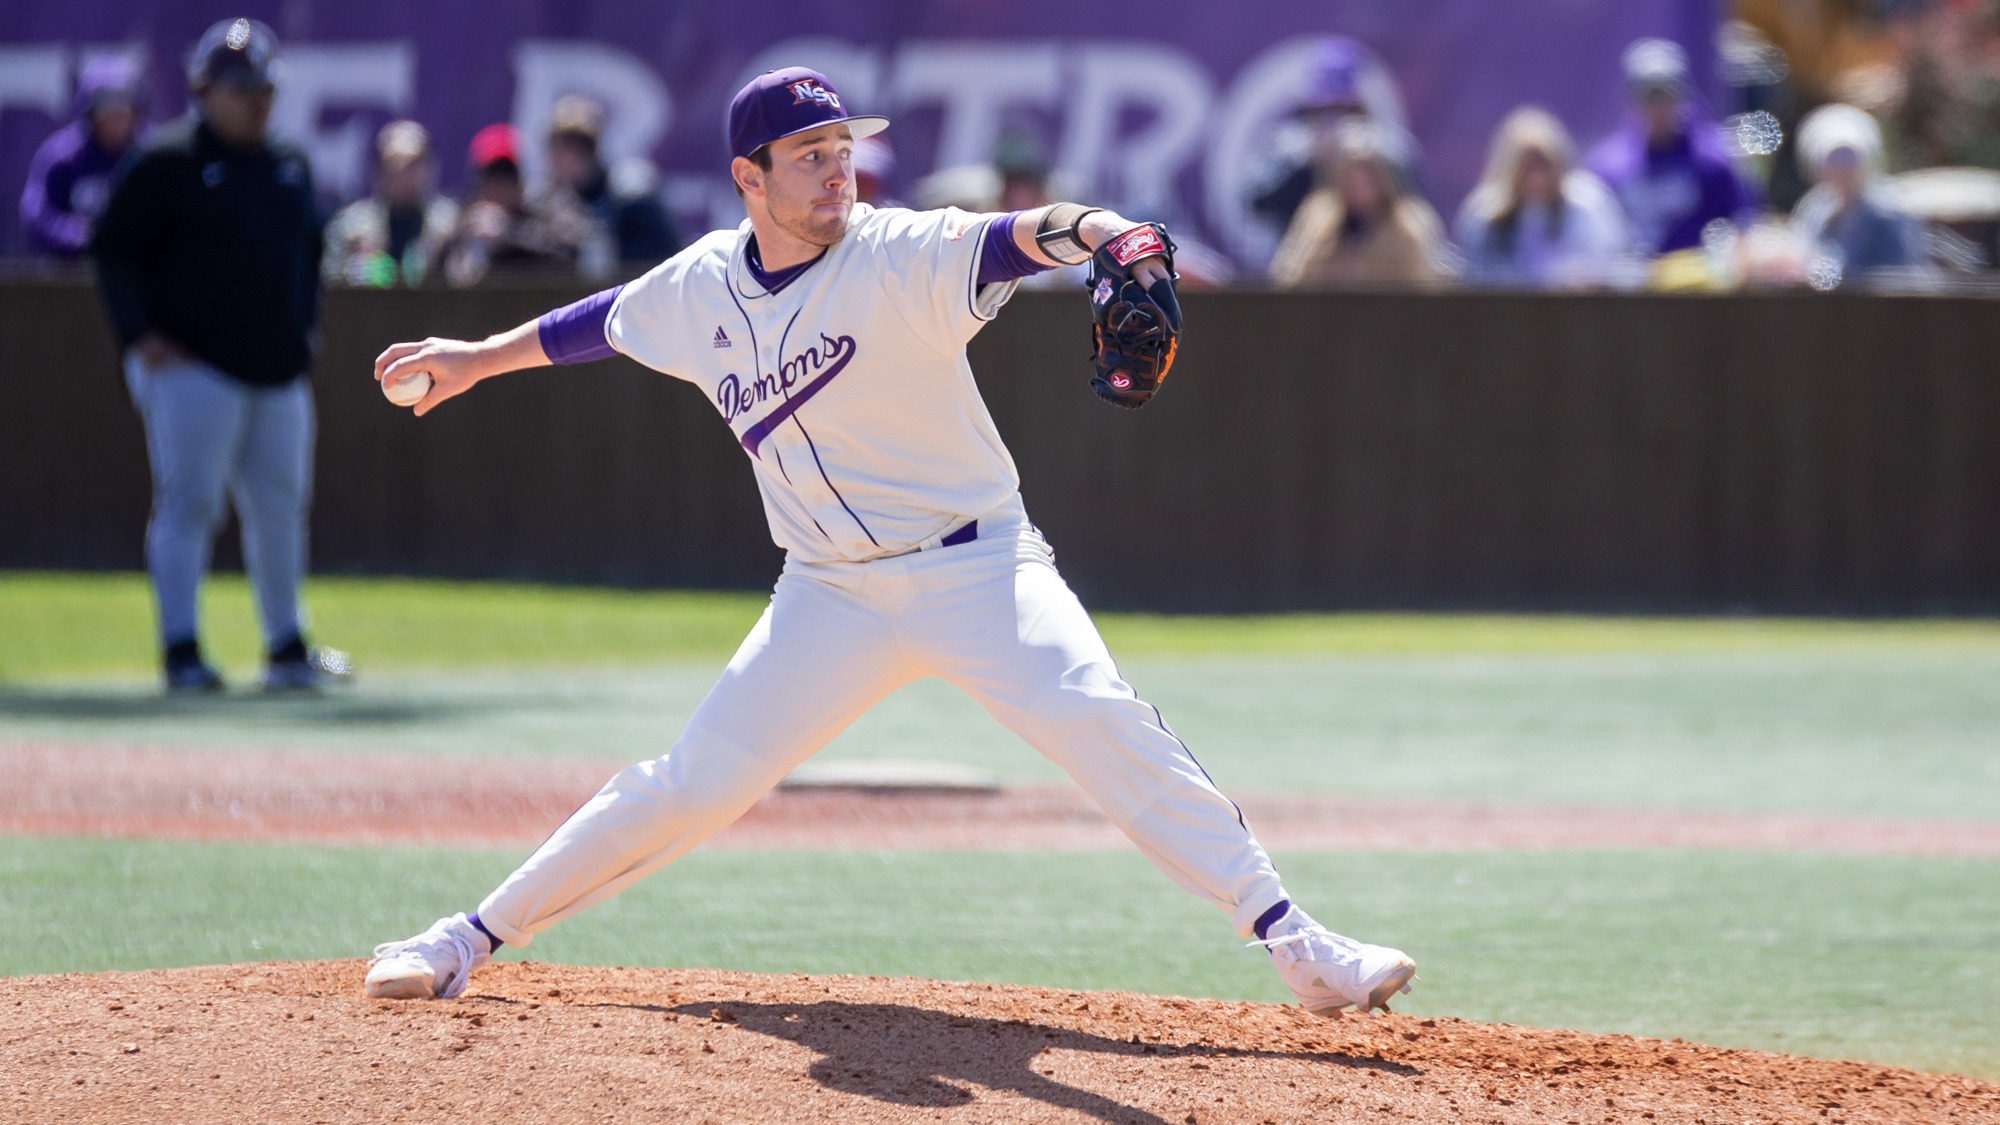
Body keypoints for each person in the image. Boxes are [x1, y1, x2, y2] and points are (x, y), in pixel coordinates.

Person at [362, 66, 1417, 1020]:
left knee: (1101, 719)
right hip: (826, 595)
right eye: (810, 157)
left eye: (842, 151)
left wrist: (1104, 232)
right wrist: (472, 359)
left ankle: (1296, 944)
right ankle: (465, 939)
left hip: (978, 567)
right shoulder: (698, 288)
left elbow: (1023, 233)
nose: (837, 173)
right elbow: (599, 322)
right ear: (748, 176)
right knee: (684, 784)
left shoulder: (898, 251)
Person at [88, 18, 345, 693]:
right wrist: (139, 333)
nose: (253, 99)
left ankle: (286, 645)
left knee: (282, 505)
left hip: (279, 369)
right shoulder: (166, 161)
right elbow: (113, 248)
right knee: (190, 503)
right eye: (237, 87)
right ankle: (182, 650)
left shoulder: (289, 161)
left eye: (261, 85)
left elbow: (311, 253)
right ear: (203, 89)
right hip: (192, 366)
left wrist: (305, 325)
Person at [1587, 38, 1760, 258]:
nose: (1658, 107)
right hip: (1630, 284)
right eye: (1649, 96)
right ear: (1630, 100)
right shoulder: (1607, 169)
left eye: (1666, 95)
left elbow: (1745, 226)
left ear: (1685, 96)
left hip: (1701, 284)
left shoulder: (1715, 161)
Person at [1248, 37, 1418, 240]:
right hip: (1301, 262)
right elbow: (1256, 204)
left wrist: (1366, 171)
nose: (1337, 120)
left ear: (1361, 107)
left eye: (1346, 109)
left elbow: (1419, 208)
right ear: (1311, 107)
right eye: (1326, 110)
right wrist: (1308, 164)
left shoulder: (1389, 151)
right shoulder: (1288, 149)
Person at [1455, 107, 1636, 289]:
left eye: (1542, 164)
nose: (1536, 177)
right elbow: (1470, 275)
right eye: (1527, 167)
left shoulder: (1585, 205)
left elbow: (1616, 267)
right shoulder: (1485, 214)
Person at [1269, 121, 1451, 288]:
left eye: (1366, 179)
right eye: (1351, 179)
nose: (1358, 187)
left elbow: (1425, 284)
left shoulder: (1409, 226)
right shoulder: (1318, 220)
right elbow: (1290, 276)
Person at [441, 123, 611, 287]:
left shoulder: (545, 207)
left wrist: (509, 233)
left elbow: (571, 253)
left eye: (508, 174)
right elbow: (430, 268)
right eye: (491, 175)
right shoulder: (460, 216)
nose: (500, 185)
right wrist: (462, 240)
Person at [20, 55, 147, 258]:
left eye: (124, 107)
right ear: (89, 113)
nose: (117, 117)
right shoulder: (60, 157)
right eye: (107, 108)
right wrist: (80, 234)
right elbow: (37, 214)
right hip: (73, 275)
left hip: (137, 275)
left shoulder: (150, 155)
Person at [1790, 103, 1930, 288]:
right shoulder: (1815, 208)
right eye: (1834, 158)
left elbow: (1902, 274)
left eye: (1849, 156)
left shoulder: (1888, 213)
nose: (1843, 167)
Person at [542, 95, 682, 266]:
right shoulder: (551, 199)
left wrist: (591, 236)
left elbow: (662, 255)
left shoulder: (630, 193)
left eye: (578, 144)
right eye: (557, 145)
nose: (566, 155)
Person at [321, 120, 459, 287]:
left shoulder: (450, 224)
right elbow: (328, 280)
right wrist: (353, 271)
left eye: (416, 163)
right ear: (380, 171)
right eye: (397, 163)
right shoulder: (353, 227)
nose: (408, 174)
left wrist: (445, 260)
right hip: (371, 310)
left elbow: (469, 280)